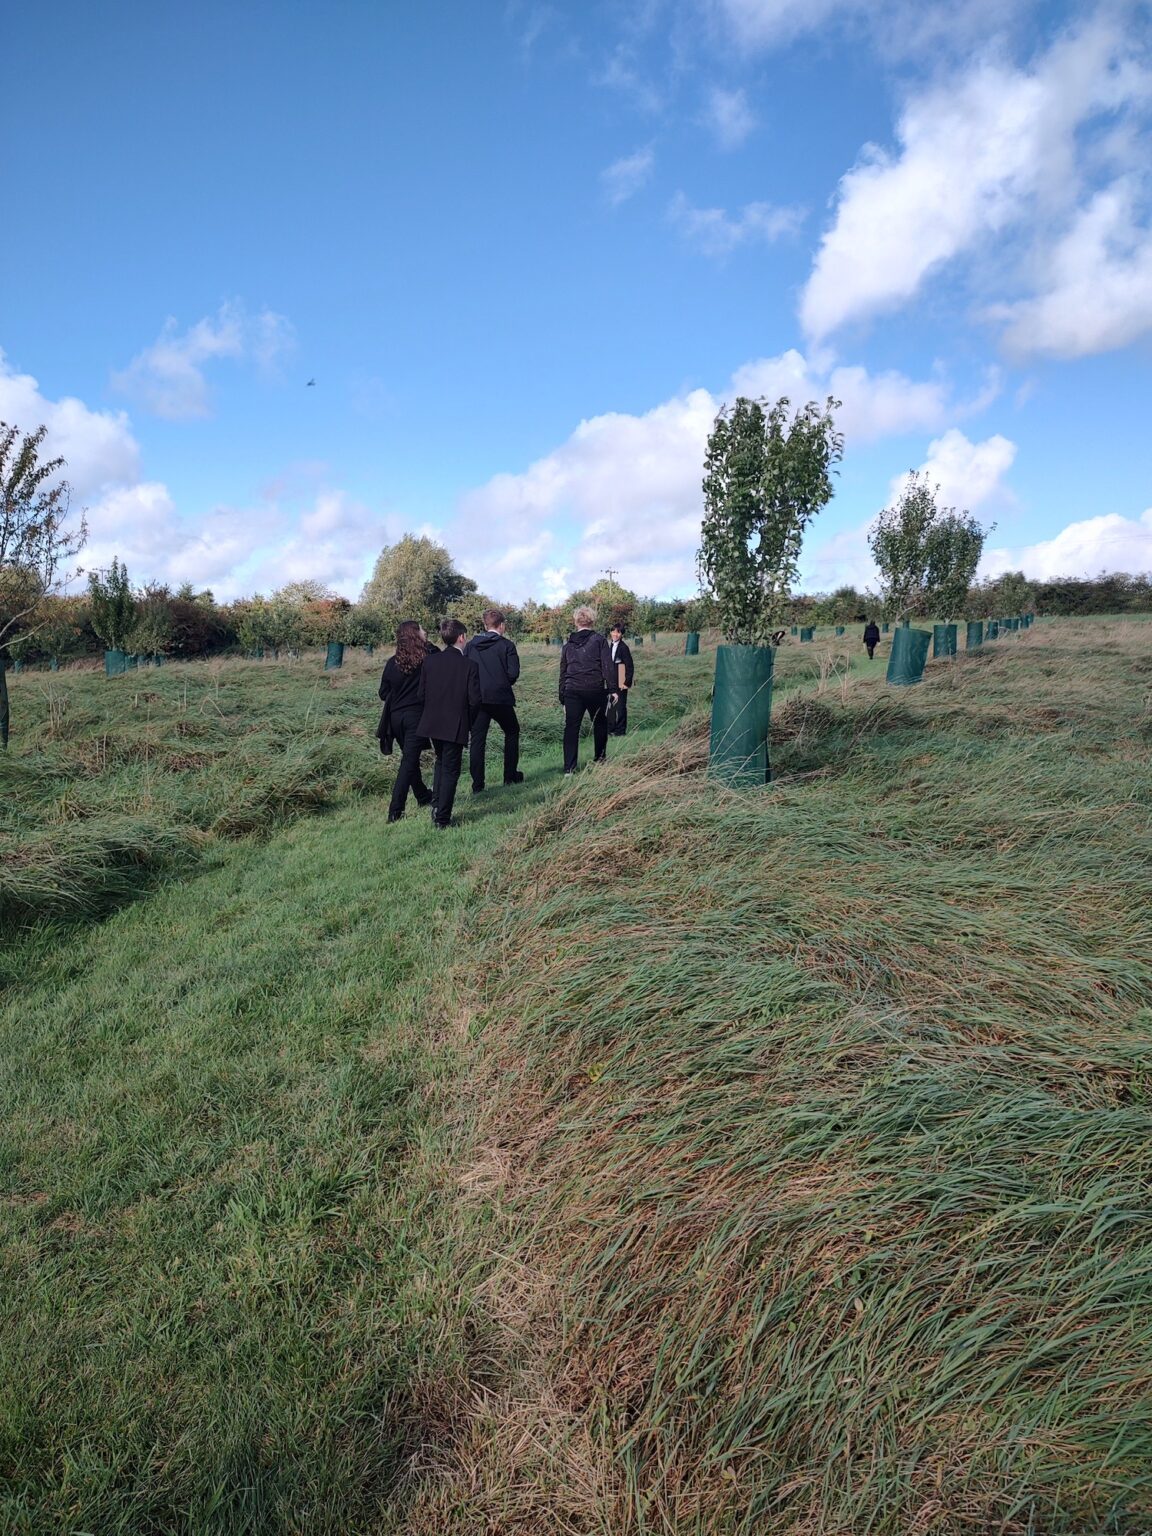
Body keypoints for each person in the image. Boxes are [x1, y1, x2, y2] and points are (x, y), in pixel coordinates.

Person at [416, 618, 482, 828]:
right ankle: (442, 818)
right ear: (461, 637)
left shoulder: (429, 662)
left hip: (432, 722)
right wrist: (468, 721)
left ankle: (436, 805)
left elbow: (421, 695)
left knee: (441, 762)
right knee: (451, 770)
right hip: (455, 723)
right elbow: (475, 701)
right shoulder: (469, 665)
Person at [378, 620, 438, 823]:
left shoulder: (392, 663)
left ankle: (422, 796)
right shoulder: (426, 659)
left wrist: (399, 694)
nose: (425, 631)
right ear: (415, 634)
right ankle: (395, 811)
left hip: (395, 718)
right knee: (409, 761)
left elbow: (383, 693)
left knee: (409, 759)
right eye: (421, 629)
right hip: (416, 716)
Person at [465, 607, 523, 793]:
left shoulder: (471, 646)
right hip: (500, 697)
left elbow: (465, 671)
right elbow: (513, 673)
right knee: (512, 731)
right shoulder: (507, 646)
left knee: (477, 740)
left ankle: (478, 785)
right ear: (502, 625)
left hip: (478, 699)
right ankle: (510, 776)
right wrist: (502, 682)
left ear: (485, 625)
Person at [559, 605, 618, 774]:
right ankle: (600, 758)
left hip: (572, 690)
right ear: (592, 620)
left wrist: (562, 698)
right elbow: (607, 666)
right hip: (594, 689)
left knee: (571, 728)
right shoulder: (599, 640)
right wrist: (613, 689)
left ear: (576, 621)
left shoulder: (568, 645)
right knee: (600, 723)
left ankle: (569, 768)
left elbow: (563, 672)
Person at [606, 621, 634, 737]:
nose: (615, 634)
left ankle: (621, 731)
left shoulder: (624, 648)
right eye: (613, 632)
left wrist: (626, 682)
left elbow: (629, 666)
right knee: (611, 706)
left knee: (621, 707)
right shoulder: (610, 645)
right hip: (611, 681)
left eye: (618, 632)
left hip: (621, 681)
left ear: (621, 634)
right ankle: (610, 729)